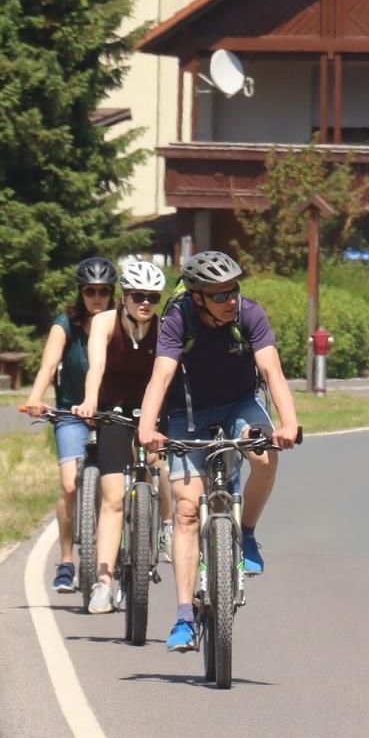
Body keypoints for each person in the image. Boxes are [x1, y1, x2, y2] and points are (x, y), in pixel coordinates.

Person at [136, 251, 300, 653]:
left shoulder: (250, 315)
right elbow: (162, 375)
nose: (230, 300)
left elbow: (271, 372)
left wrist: (289, 423)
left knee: (264, 457)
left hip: (240, 404)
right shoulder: (178, 319)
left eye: (233, 290)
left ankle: (246, 535)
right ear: (197, 298)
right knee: (187, 510)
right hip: (187, 414)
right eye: (219, 295)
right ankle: (183, 618)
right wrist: (146, 427)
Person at [74, 258, 169, 614]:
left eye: (152, 297)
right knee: (113, 495)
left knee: (160, 469)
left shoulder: (164, 328)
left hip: (151, 410)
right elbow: (96, 366)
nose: (145, 303)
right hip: (113, 407)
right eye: (138, 295)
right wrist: (89, 402)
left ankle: (169, 528)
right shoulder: (104, 323)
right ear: (124, 297)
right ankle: (104, 580)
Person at [20, 258, 116, 594]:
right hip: (70, 413)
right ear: (80, 292)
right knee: (70, 485)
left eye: (103, 291)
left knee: (113, 487)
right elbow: (48, 366)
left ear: (112, 293)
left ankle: (111, 559)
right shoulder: (66, 324)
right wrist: (35, 396)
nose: (97, 297)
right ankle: (66, 561)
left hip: (110, 414)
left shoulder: (119, 323)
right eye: (90, 291)